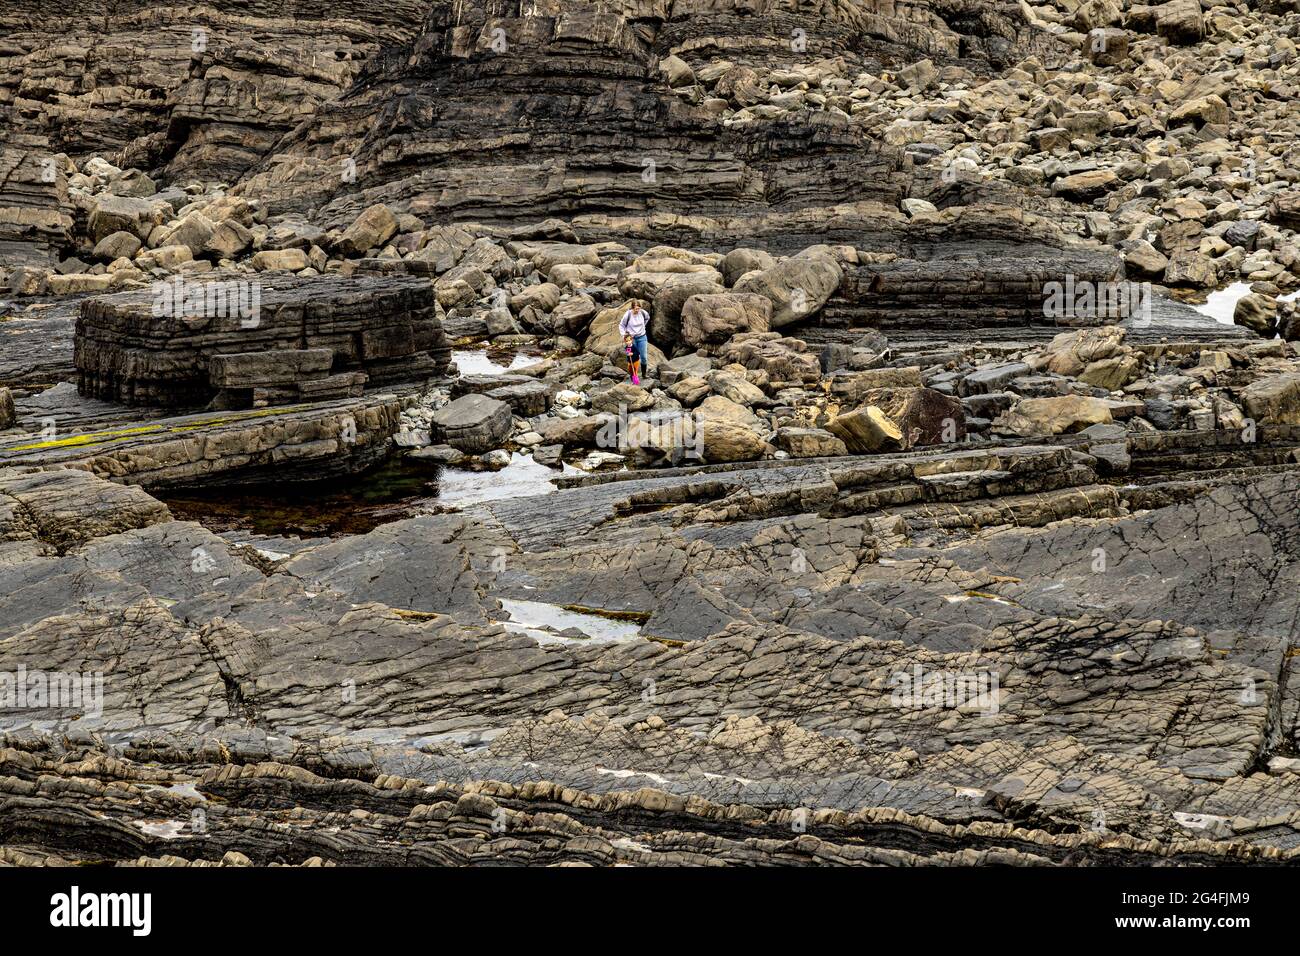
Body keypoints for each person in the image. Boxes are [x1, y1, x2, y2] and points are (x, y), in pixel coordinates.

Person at [620, 299, 651, 380]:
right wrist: (624, 335)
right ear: (632, 308)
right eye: (636, 308)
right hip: (631, 339)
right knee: (633, 357)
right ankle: (634, 376)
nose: (637, 310)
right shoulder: (628, 314)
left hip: (642, 337)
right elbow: (622, 325)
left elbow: (647, 318)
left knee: (643, 357)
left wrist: (643, 326)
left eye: (639, 308)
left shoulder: (643, 313)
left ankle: (644, 374)